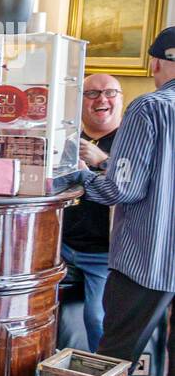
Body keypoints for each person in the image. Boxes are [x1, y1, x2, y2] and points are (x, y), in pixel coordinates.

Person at [74, 28, 175, 376]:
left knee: (112, 360)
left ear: (154, 64)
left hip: (148, 259)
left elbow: (123, 189)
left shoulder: (149, 108)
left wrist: (79, 177)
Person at [61, 73, 124, 355]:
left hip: (104, 255)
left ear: (120, 100)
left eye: (110, 93)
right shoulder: (66, 137)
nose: (102, 99)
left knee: (98, 320)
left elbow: (137, 186)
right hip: (62, 248)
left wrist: (103, 161)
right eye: (92, 94)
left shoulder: (133, 140)